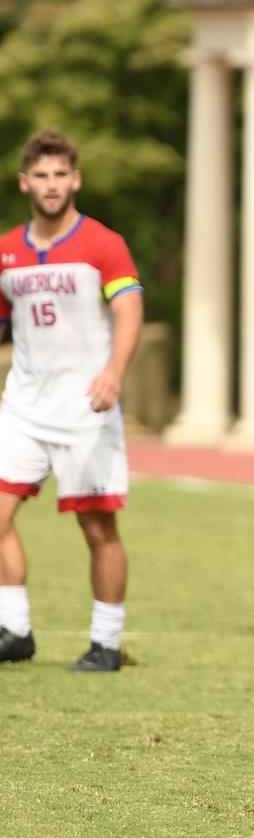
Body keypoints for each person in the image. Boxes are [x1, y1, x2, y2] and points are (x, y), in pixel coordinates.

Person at [0, 129, 144, 672]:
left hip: (88, 409)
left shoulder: (103, 244)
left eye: (61, 174)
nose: (52, 184)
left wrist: (114, 371)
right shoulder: (8, 251)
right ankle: (14, 629)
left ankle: (106, 642)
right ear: (24, 182)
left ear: (76, 179)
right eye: (41, 175)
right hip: (23, 408)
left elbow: (129, 311)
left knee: (97, 528)